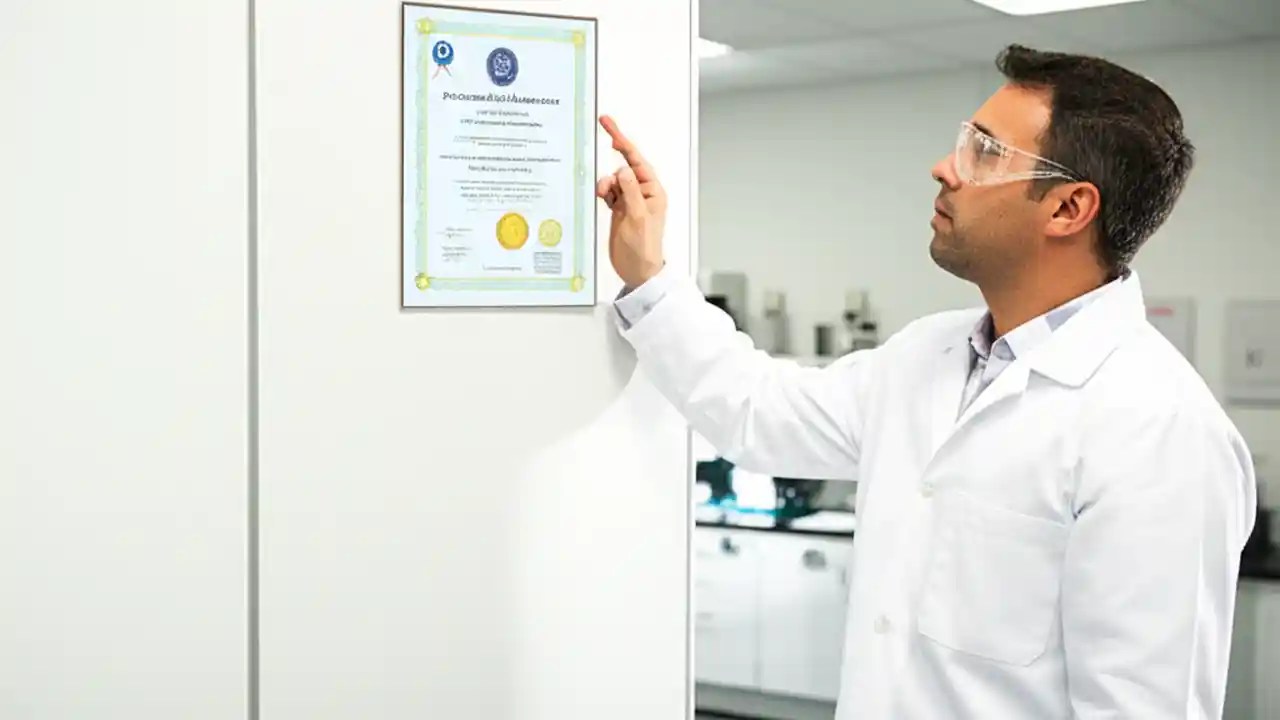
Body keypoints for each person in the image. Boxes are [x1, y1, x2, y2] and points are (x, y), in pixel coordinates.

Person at [596, 45, 1256, 719]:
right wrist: (649, 278)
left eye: (985, 151)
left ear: (1067, 208)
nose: (944, 168)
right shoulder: (925, 355)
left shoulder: (1160, 431)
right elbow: (758, 414)